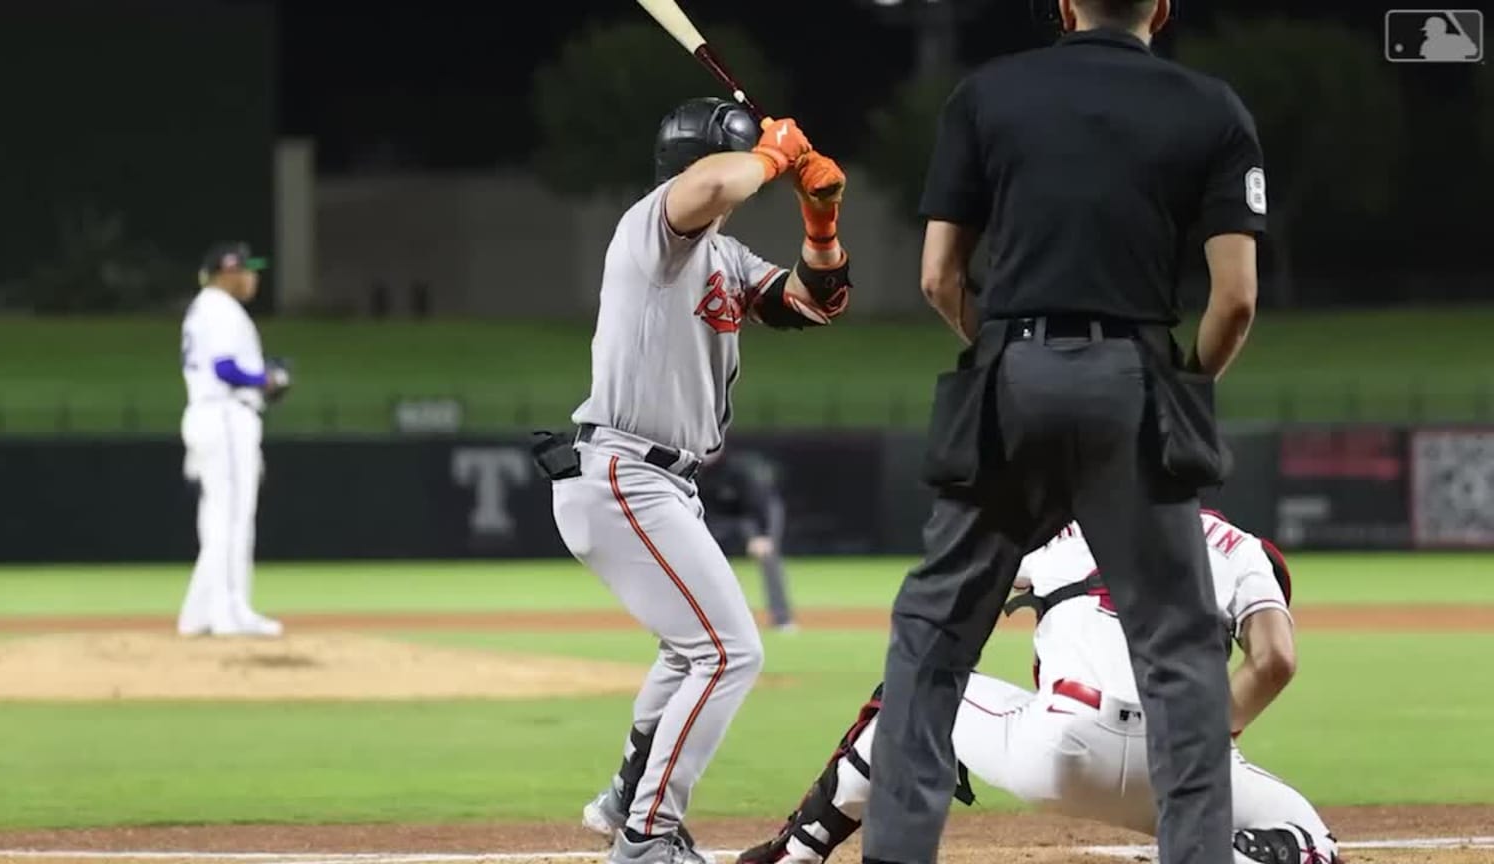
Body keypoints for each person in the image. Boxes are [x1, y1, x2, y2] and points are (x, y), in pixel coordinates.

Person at [862, 2, 1267, 864]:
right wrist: (1181, 388)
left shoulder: (987, 94)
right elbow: (1235, 299)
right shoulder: (1212, 108)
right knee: (1179, 651)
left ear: (1064, 5)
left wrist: (1008, 355)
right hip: (1134, 381)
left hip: (1011, 376)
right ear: (1162, 8)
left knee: (933, 632)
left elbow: (938, 276)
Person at [535, 97, 855, 864]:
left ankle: (625, 801)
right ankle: (648, 840)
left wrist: (819, 218)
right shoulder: (653, 226)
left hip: (659, 482)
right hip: (625, 471)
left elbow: (816, 304)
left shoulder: (723, 254)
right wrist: (776, 155)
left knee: (691, 653)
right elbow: (713, 185)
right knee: (730, 653)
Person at [737, 510, 1338, 864]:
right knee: (1313, 842)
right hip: (1180, 770)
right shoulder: (1242, 548)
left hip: (1056, 751)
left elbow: (943, 604)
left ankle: (796, 852)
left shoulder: (1061, 536)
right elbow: (1275, 662)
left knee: (909, 698)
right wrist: (1206, 738)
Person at [177, 242, 291, 638]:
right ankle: (231, 614)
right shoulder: (222, 308)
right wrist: (266, 379)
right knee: (232, 519)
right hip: (225, 414)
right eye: (246, 269)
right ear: (228, 273)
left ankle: (199, 613)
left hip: (208, 414)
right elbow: (224, 368)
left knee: (217, 519)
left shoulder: (202, 308)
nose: (253, 277)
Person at [699, 448, 796, 631]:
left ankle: (782, 619)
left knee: (769, 558)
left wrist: (766, 536)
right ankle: (702, 619)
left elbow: (767, 506)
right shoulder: (691, 471)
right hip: (710, 527)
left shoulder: (739, 471)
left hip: (747, 528)